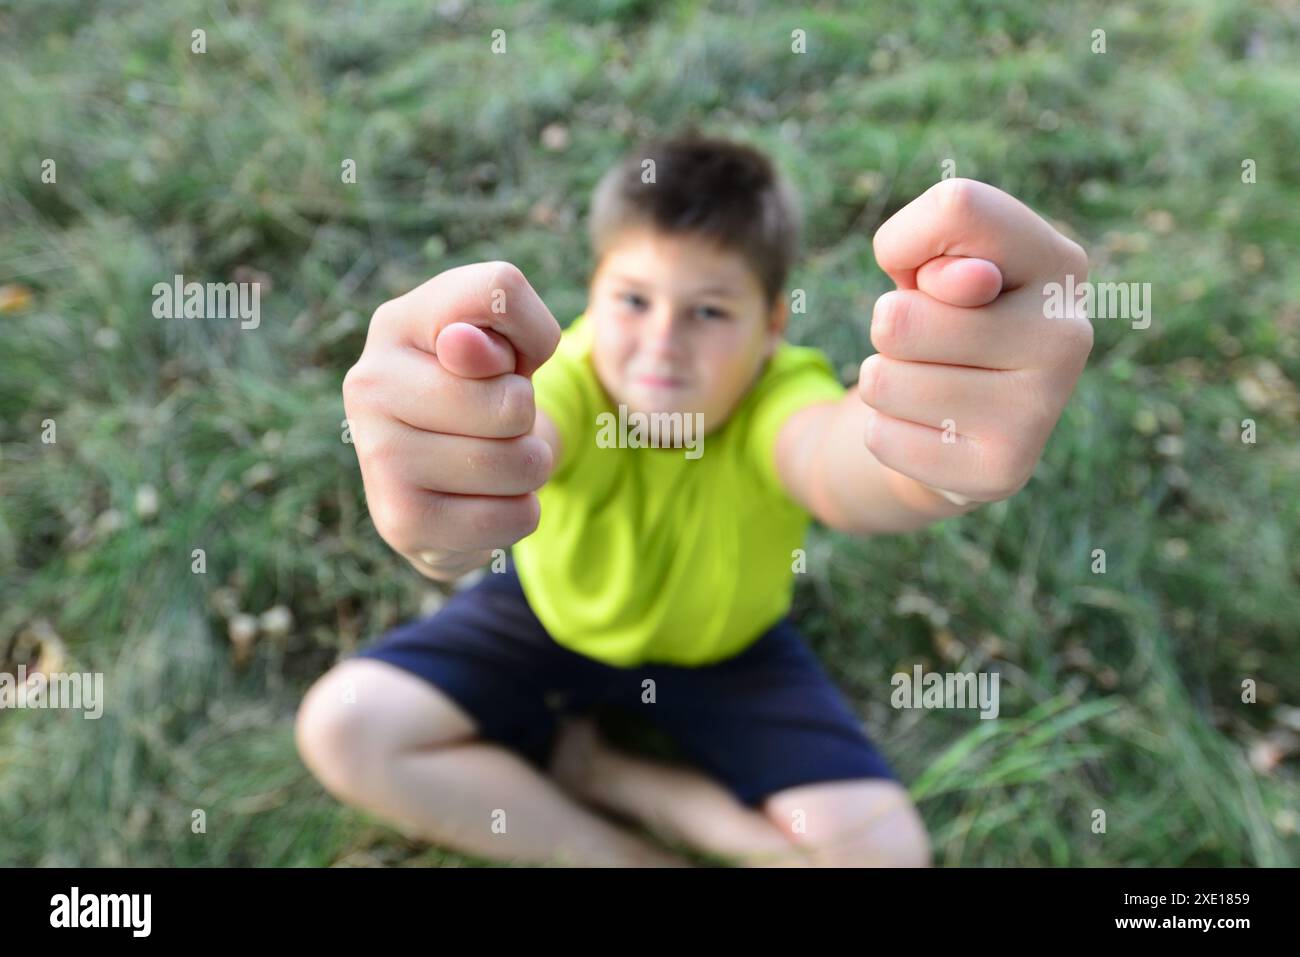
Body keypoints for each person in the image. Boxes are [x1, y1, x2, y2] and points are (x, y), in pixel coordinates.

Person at [295, 135, 1092, 867]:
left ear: (771, 327)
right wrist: (464, 444)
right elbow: (530, 432)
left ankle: (617, 774)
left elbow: (839, 458)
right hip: (551, 616)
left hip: (730, 648)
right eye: (633, 300)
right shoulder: (572, 379)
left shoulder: (779, 398)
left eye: (709, 311)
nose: (662, 343)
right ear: (593, 295)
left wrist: (935, 458)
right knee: (344, 727)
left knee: (887, 854)